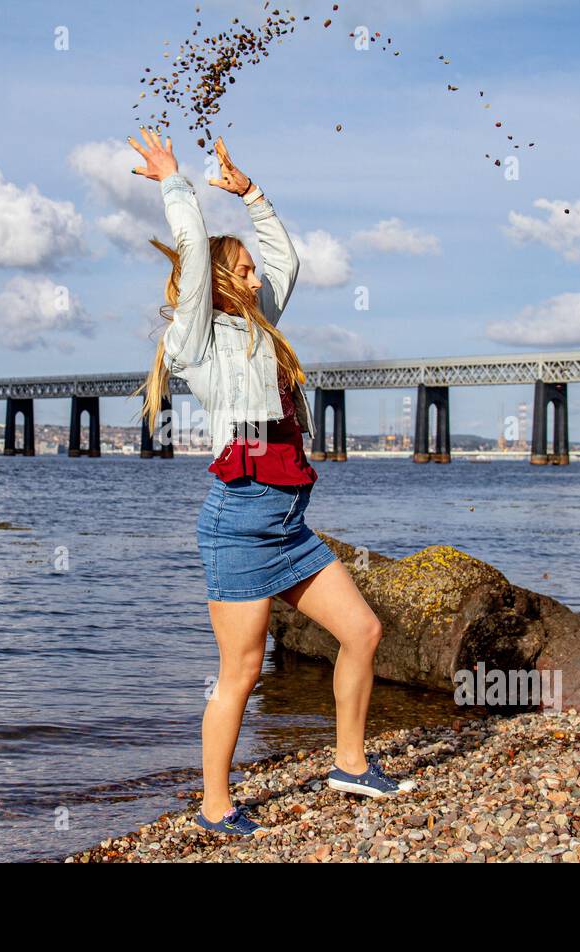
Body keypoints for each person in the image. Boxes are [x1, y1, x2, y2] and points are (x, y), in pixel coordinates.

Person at [129, 128, 413, 837]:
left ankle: (350, 765)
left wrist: (251, 193)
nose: (259, 277)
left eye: (256, 271)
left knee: (365, 631)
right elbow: (195, 253)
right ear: (224, 281)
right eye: (247, 270)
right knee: (242, 675)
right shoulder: (196, 340)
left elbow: (289, 259)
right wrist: (174, 183)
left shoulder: (261, 327)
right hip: (241, 518)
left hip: (286, 521)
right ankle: (215, 805)